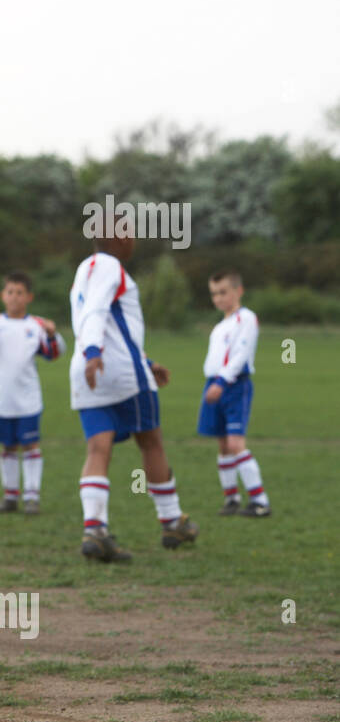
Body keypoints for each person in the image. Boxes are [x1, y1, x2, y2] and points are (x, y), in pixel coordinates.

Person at [69, 230, 198, 561]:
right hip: (119, 372)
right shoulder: (109, 266)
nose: (135, 239)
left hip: (87, 370)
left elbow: (97, 321)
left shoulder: (84, 270)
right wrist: (98, 351)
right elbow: (98, 312)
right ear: (119, 239)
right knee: (151, 442)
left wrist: (146, 361)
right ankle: (172, 521)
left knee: (98, 448)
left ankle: (95, 531)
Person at [0, 271, 65, 515]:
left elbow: (52, 354)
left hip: (28, 399)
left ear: (29, 297)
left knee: (31, 445)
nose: (14, 297)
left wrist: (53, 334)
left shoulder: (37, 325)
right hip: (2, 397)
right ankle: (10, 496)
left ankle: (32, 496)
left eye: (20, 293)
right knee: (8, 446)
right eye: (10, 292)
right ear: (3, 296)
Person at [199, 269, 269, 517]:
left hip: (233, 384)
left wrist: (221, 381)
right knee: (223, 443)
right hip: (214, 383)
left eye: (223, 292)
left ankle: (260, 501)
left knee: (236, 442)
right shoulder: (220, 326)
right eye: (214, 293)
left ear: (238, 291)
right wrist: (212, 381)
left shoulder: (246, 319)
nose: (218, 298)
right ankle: (231, 498)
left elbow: (240, 355)